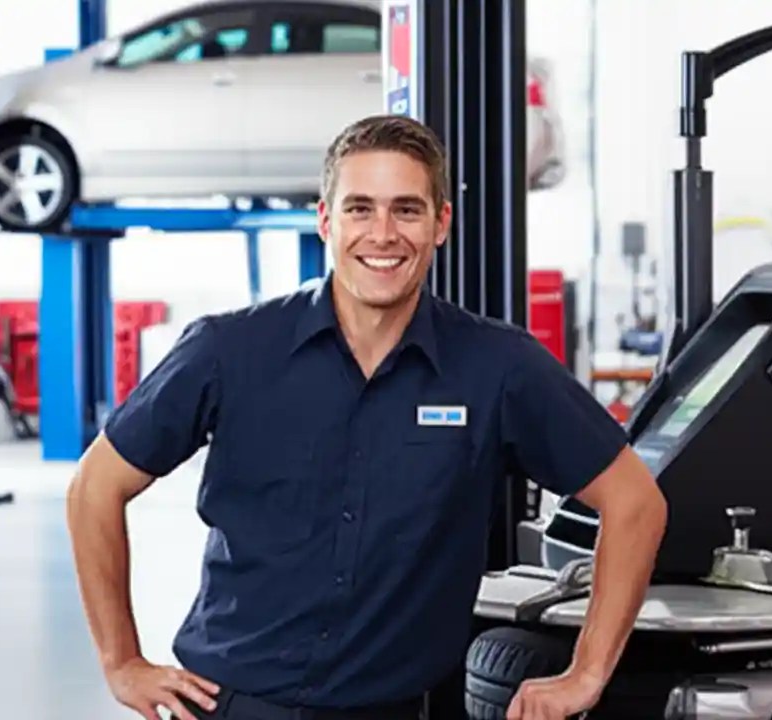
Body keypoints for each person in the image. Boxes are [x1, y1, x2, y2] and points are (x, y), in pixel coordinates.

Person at [65, 114, 668, 720]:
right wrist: (122, 662)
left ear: (441, 224)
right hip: (234, 704)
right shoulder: (228, 350)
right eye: (360, 209)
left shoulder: (499, 367)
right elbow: (95, 486)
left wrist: (587, 672)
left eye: (406, 210)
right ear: (326, 220)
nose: (382, 234)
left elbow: (635, 503)